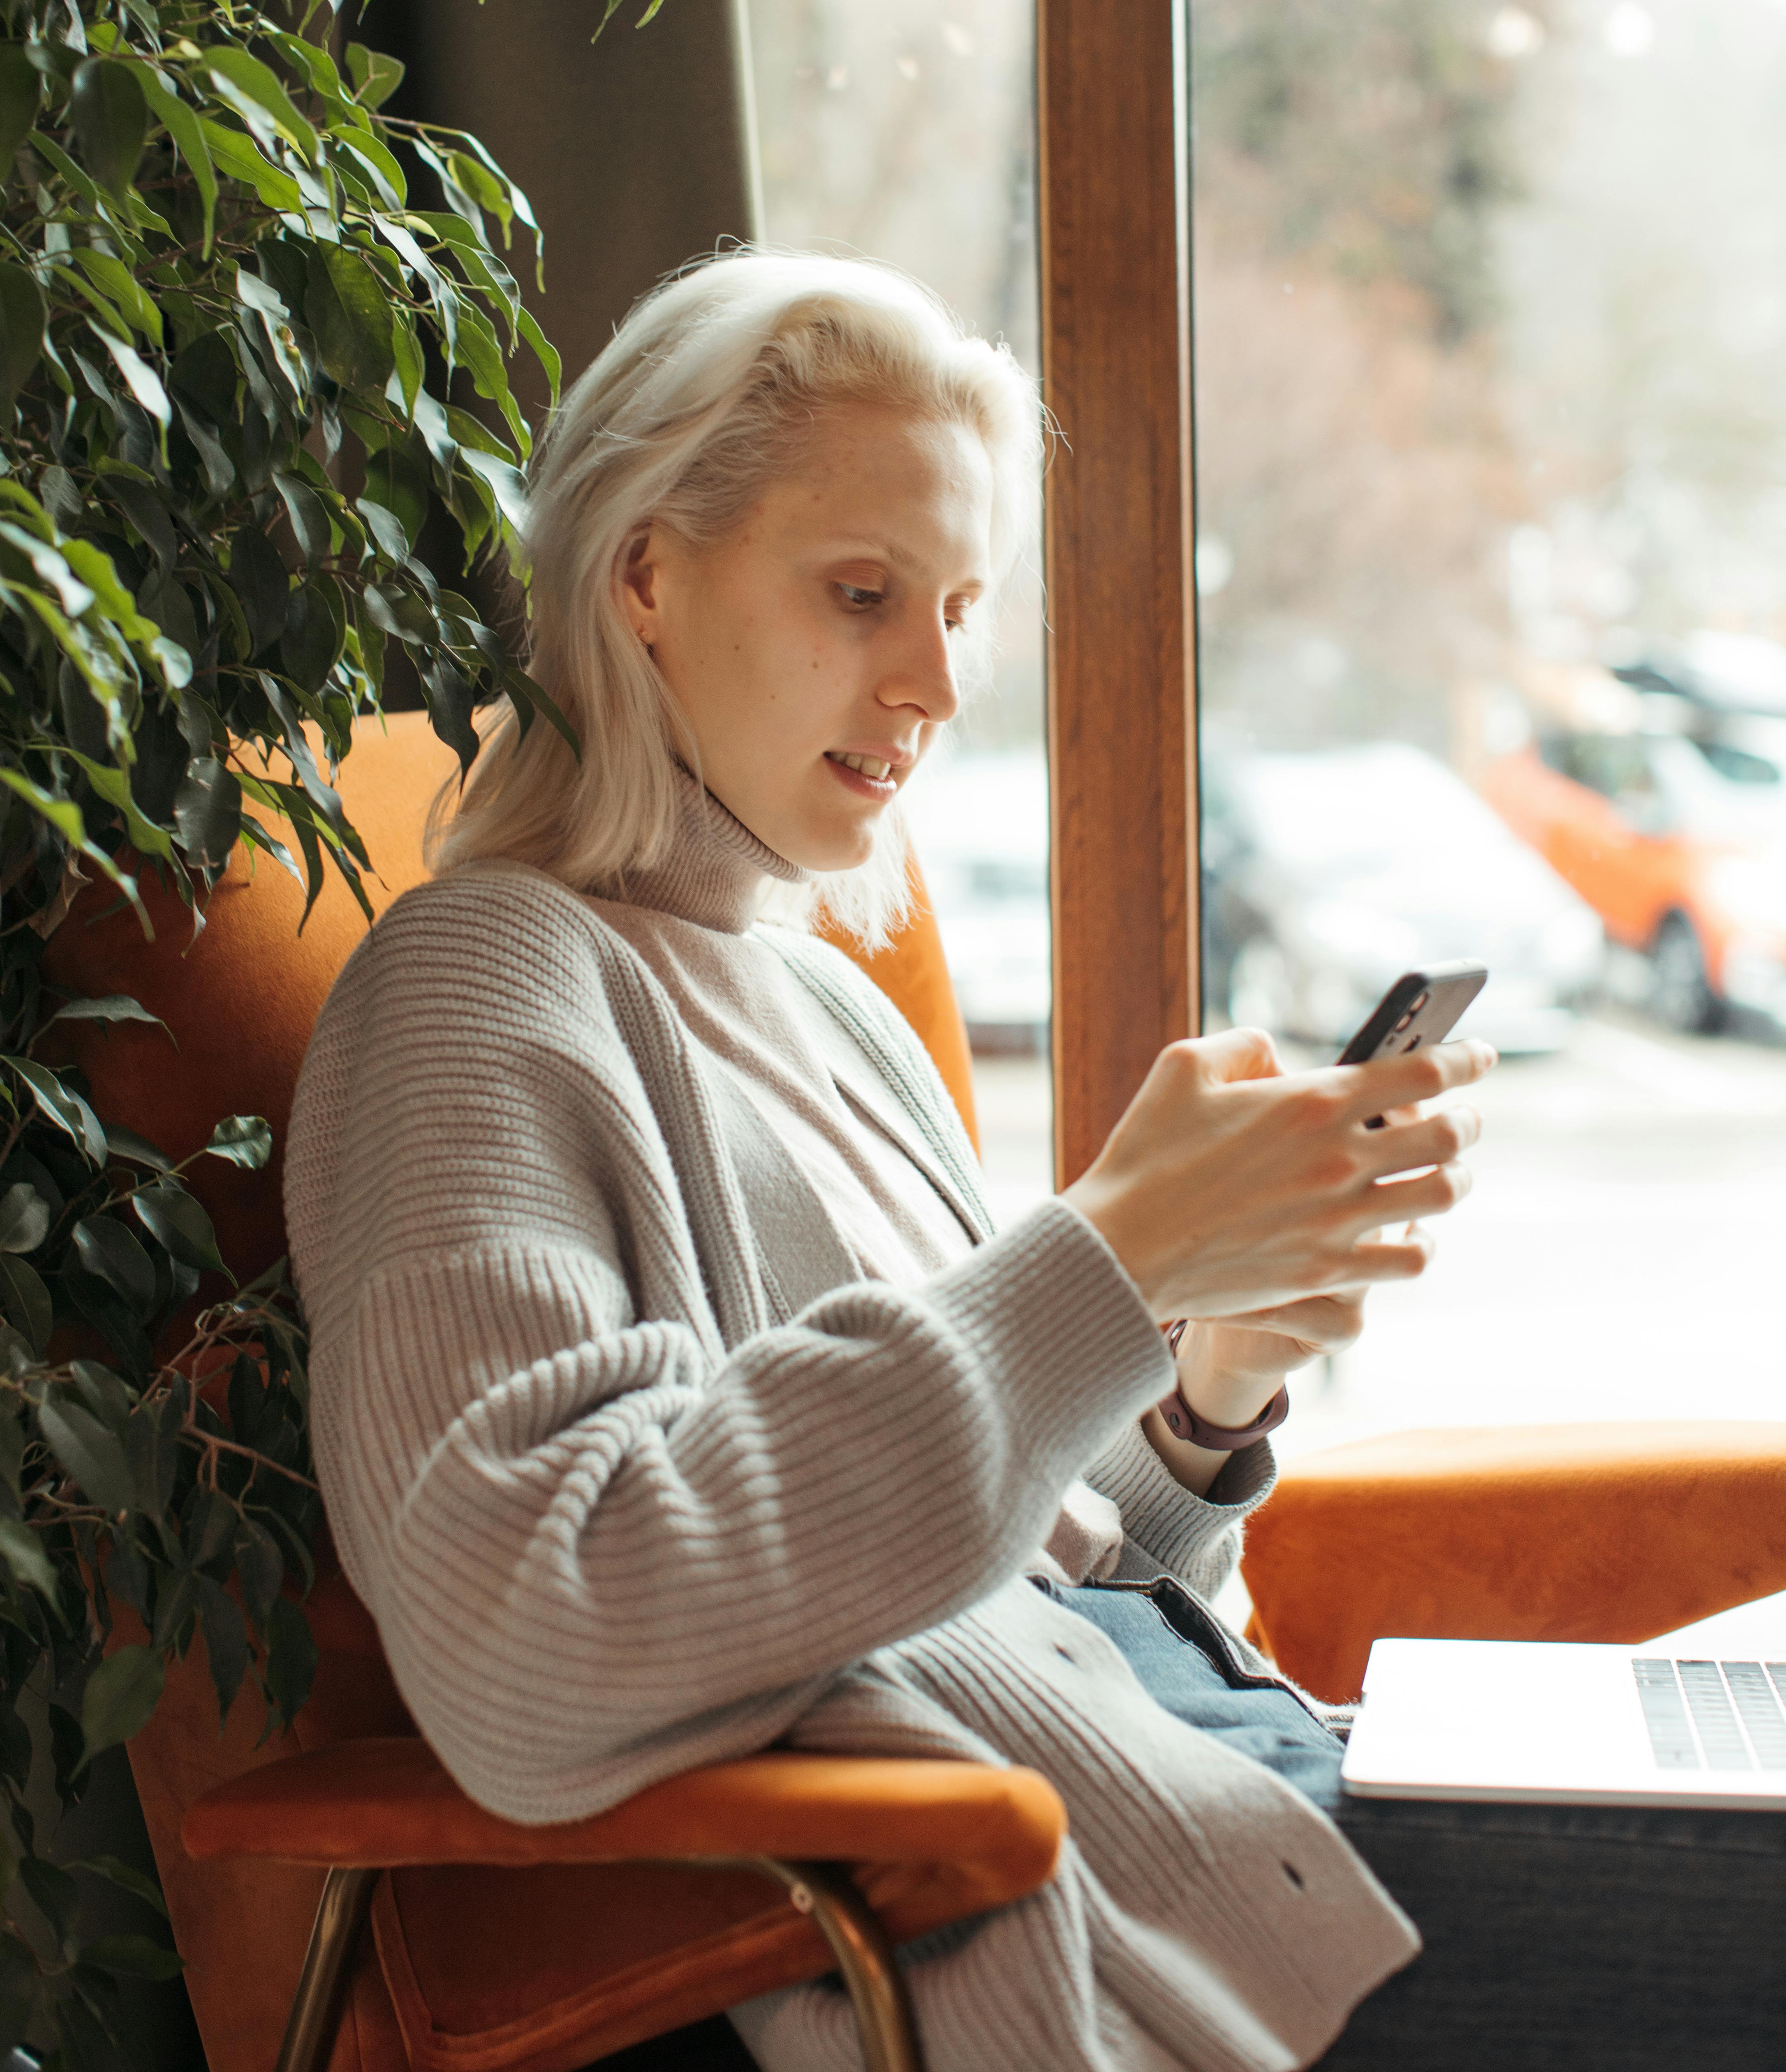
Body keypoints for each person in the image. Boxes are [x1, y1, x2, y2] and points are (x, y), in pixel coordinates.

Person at [286, 254, 1776, 2072]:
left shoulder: (828, 1014)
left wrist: (1204, 1400)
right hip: (1092, 1926)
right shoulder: (480, 983)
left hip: (1231, 1821)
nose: (934, 680)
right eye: (861, 593)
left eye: (961, 607)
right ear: (645, 574)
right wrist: (1108, 1260)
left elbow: (1034, 1608)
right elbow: (531, 1637)